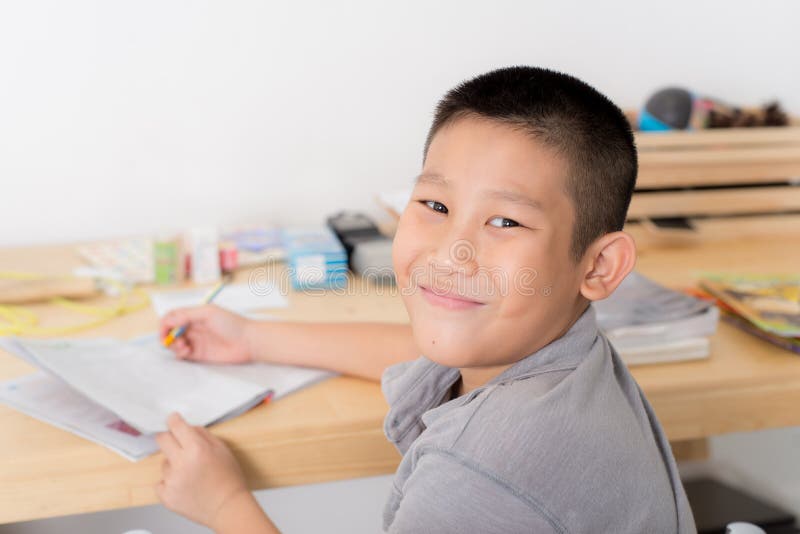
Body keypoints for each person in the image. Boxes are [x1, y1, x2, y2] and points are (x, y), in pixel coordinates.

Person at [155, 66, 697, 533]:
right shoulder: (563, 361)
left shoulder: (481, 477)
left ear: (599, 266)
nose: (451, 252)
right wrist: (252, 336)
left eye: (505, 221)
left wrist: (224, 504)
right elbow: (418, 357)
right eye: (435, 205)